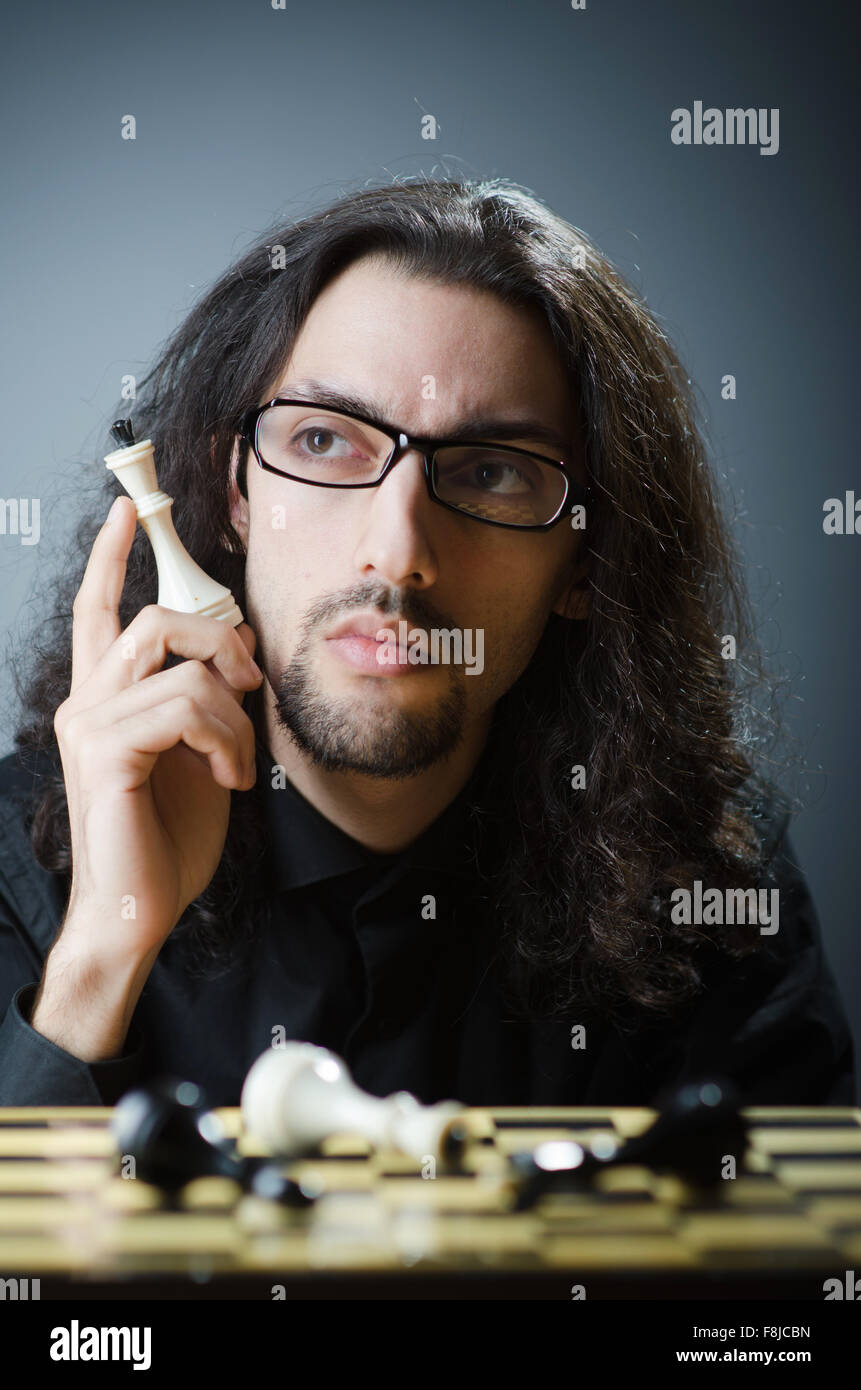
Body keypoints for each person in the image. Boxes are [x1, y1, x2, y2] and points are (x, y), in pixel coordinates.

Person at [0, 177, 854, 1108]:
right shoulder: (21, 857)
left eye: (491, 472)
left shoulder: (706, 885)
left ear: (585, 563)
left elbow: (786, 1247)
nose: (396, 552)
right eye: (325, 442)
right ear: (236, 494)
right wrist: (99, 957)